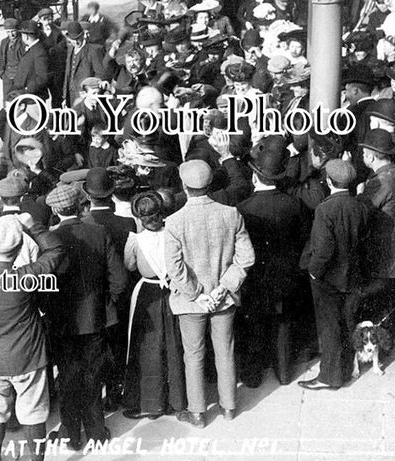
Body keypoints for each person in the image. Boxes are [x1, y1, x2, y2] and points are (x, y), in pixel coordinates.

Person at [0, 215, 66, 461]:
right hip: (28, 355)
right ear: (19, 248)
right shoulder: (26, 276)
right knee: (34, 413)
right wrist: (31, 224)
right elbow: (55, 248)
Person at [165, 159, 254, 428]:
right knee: (225, 352)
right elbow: (246, 258)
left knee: (193, 355)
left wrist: (196, 294)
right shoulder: (231, 214)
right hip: (223, 299)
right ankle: (229, 407)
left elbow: (175, 268)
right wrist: (223, 287)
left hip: (191, 303)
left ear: (183, 185)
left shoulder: (174, 222)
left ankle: (198, 413)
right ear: (211, 184)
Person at [43, 183, 125, 449]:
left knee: (66, 377)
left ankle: (70, 435)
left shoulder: (47, 239)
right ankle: (97, 433)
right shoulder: (98, 233)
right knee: (92, 375)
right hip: (95, 319)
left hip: (61, 322)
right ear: (80, 205)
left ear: (55, 209)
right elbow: (119, 279)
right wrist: (106, 303)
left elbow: (42, 286)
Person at [235, 148, 308, 387]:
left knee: (253, 324)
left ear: (255, 177)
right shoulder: (294, 204)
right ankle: (284, 372)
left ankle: (253, 375)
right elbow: (302, 238)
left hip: (254, 277)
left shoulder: (243, 208)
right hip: (286, 276)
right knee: (283, 323)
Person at [298, 159, 372, 391]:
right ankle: (346, 370)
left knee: (329, 328)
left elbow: (323, 250)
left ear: (329, 181)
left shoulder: (325, 209)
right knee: (347, 324)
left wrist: (313, 273)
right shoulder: (361, 205)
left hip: (327, 279)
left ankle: (329, 378)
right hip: (353, 276)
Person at [123, 191, 187, 420]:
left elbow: (130, 266)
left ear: (139, 217)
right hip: (172, 291)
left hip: (147, 295)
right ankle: (177, 399)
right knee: (174, 344)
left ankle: (150, 403)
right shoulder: (173, 232)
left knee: (146, 349)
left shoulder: (136, 240)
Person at [81, 168, 137, 411]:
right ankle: (116, 391)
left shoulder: (83, 224)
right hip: (119, 294)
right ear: (112, 193)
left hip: (90, 296)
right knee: (118, 345)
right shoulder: (127, 222)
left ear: (87, 195)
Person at [356, 129, 395, 322]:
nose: (363, 156)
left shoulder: (379, 182)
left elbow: (361, 213)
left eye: (364, 154)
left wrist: (360, 193)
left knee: (377, 302)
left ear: (371, 156)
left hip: (381, 249)